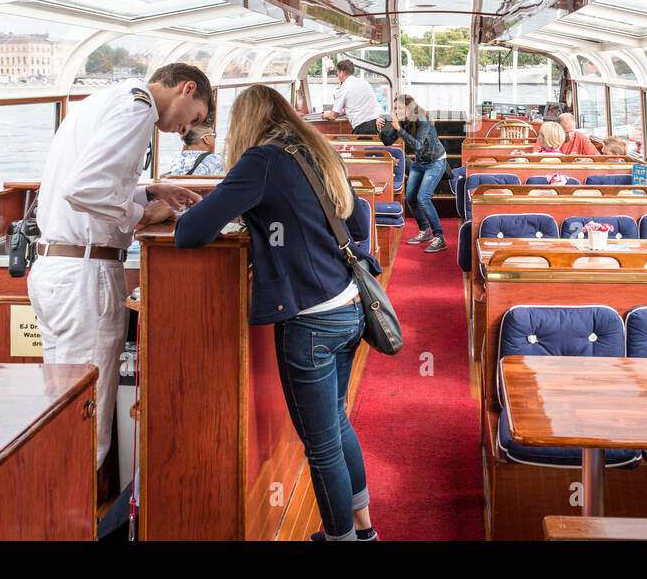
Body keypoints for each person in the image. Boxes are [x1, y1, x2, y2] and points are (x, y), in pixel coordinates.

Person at [173, 85, 381, 540]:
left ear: (245, 124)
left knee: (321, 443)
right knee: (337, 421)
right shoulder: (317, 149)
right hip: (349, 305)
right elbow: (359, 222)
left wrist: (201, 208)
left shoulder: (261, 160)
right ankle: (363, 529)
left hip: (310, 319)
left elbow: (189, 234)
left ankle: (342, 538)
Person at [27, 63, 210, 476]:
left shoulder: (112, 97)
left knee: (63, 406)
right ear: (186, 88)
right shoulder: (139, 108)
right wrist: (142, 214)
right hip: (84, 276)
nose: (186, 129)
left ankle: (57, 513)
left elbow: (90, 179)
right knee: (86, 421)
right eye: (193, 117)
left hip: (58, 268)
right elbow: (85, 190)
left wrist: (149, 190)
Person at [378, 94, 448, 253]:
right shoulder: (401, 121)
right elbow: (387, 142)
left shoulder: (422, 119)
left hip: (435, 162)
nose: (396, 111)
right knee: (410, 197)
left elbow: (417, 145)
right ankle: (425, 231)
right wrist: (380, 129)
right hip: (420, 162)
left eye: (399, 108)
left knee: (422, 198)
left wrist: (398, 129)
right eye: (394, 108)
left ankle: (440, 237)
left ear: (410, 108)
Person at [323, 59, 382, 134]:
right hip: (376, 125)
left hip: (362, 128)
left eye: (337, 72)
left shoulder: (344, 87)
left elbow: (333, 116)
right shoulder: (365, 83)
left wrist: (325, 114)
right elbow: (354, 107)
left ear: (341, 72)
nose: (337, 75)